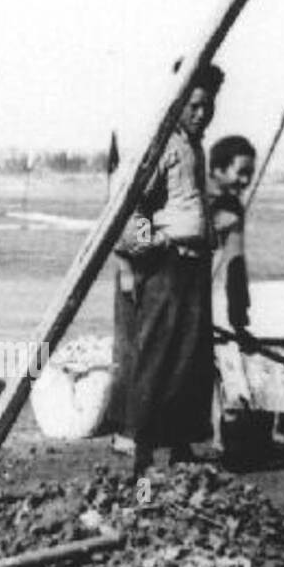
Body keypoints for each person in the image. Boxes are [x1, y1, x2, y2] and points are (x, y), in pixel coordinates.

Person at [107, 63, 223, 477]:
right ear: (177, 104)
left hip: (193, 265)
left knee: (191, 357)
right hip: (167, 264)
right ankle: (139, 448)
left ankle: (181, 444)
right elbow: (132, 202)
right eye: (193, 105)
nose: (200, 113)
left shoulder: (195, 146)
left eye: (206, 106)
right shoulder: (164, 145)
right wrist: (146, 244)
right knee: (158, 353)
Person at [206, 134, 257, 454]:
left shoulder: (232, 209)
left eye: (250, 174)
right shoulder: (192, 192)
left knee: (208, 362)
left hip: (197, 289)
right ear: (217, 170)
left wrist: (239, 320)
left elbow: (236, 267)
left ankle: (217, 436)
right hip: (166, 284)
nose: (246, 181)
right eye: (241, 173)